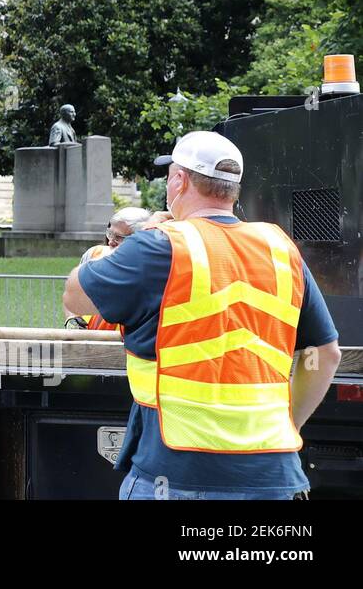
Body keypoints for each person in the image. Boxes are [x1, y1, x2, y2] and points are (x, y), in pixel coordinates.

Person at [63, 131, 341, 500]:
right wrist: (288, 424)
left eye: (169, 176)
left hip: (177, 474)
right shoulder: (279, 248)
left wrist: (140, 236)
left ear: (179, 181)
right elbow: (326, 353)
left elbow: (76, 296)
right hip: (273, 473)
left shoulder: (160, 244)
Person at [66, 206, 152, 331]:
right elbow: (73, 294)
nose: (111, 241)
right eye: (110, 233)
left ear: (138, 238)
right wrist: (72, 319)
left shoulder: (149, 267)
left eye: (119, 237)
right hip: (87, 339)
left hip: (123, 345)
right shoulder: (93, 253)